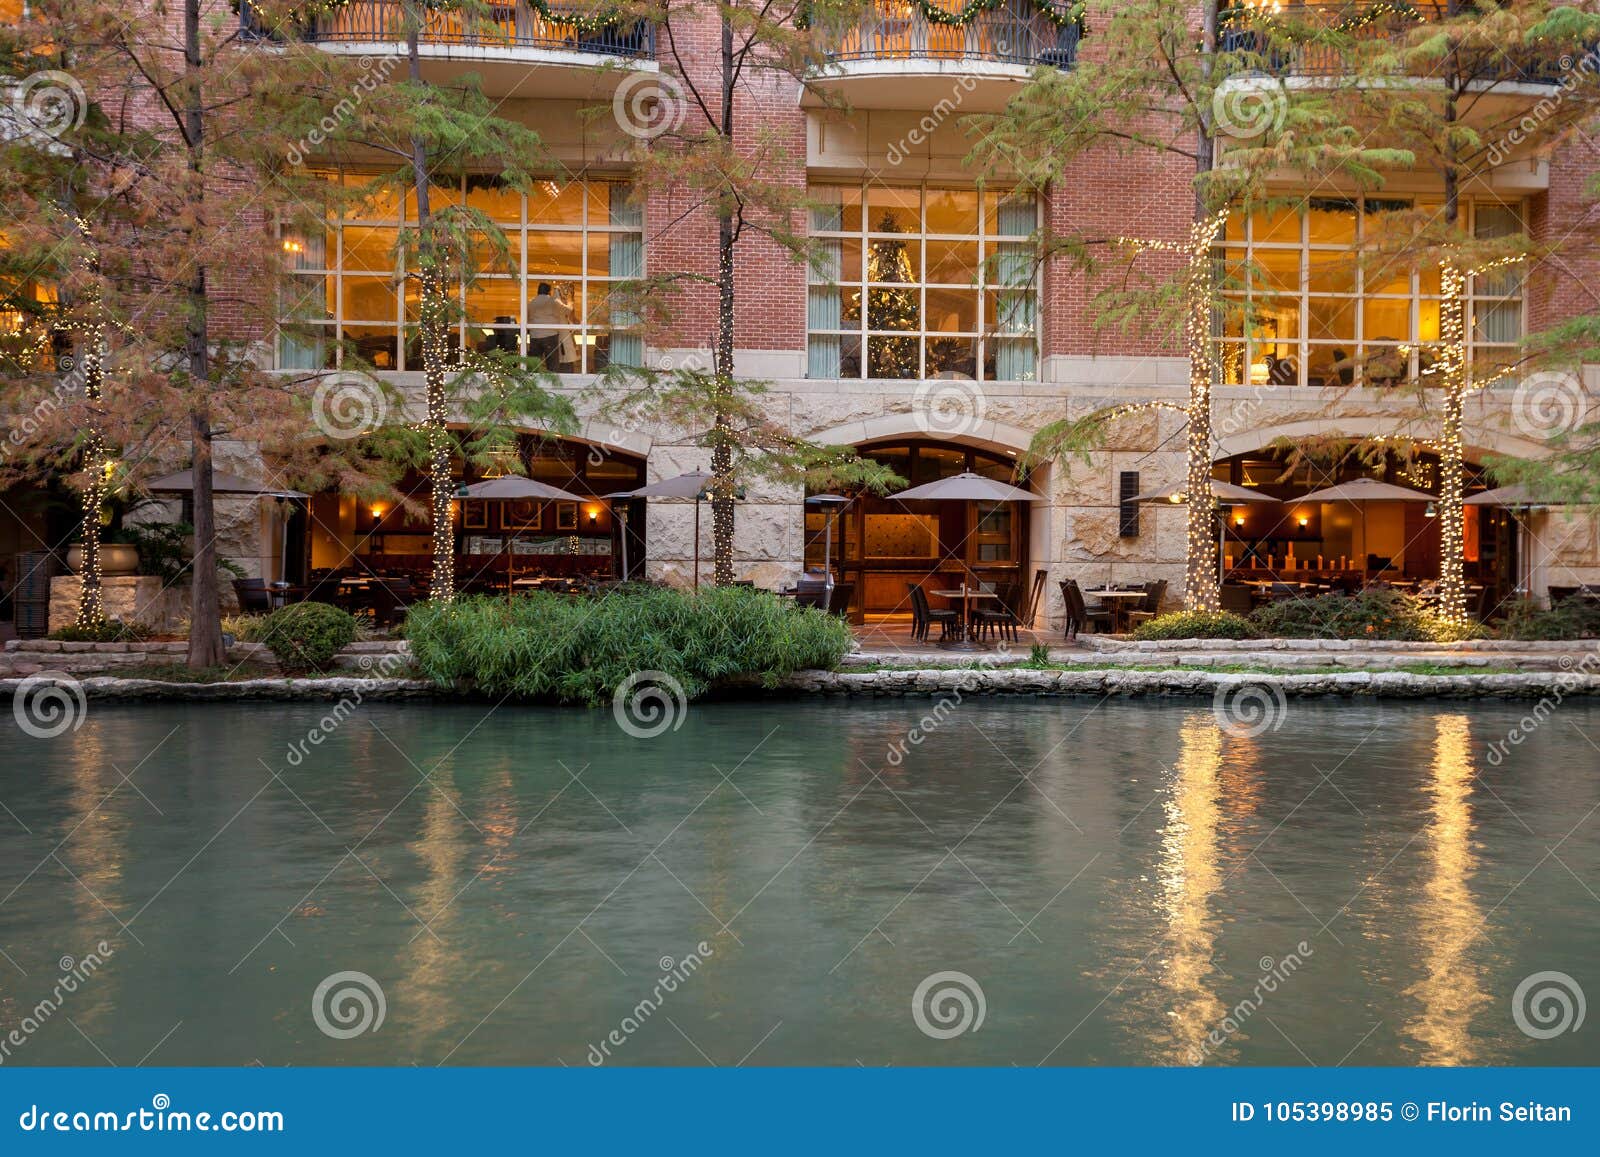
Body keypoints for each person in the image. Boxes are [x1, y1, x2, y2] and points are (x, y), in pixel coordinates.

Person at [527, 283, 577, 371]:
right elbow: (568, 311)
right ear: (549, 291)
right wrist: (570, 302)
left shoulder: (531, 302)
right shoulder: (553, 301)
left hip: (534, 336)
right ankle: (551, 379)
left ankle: (532, 378)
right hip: (550, 336)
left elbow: (527, 318)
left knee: (534, 365)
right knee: (552, 365)